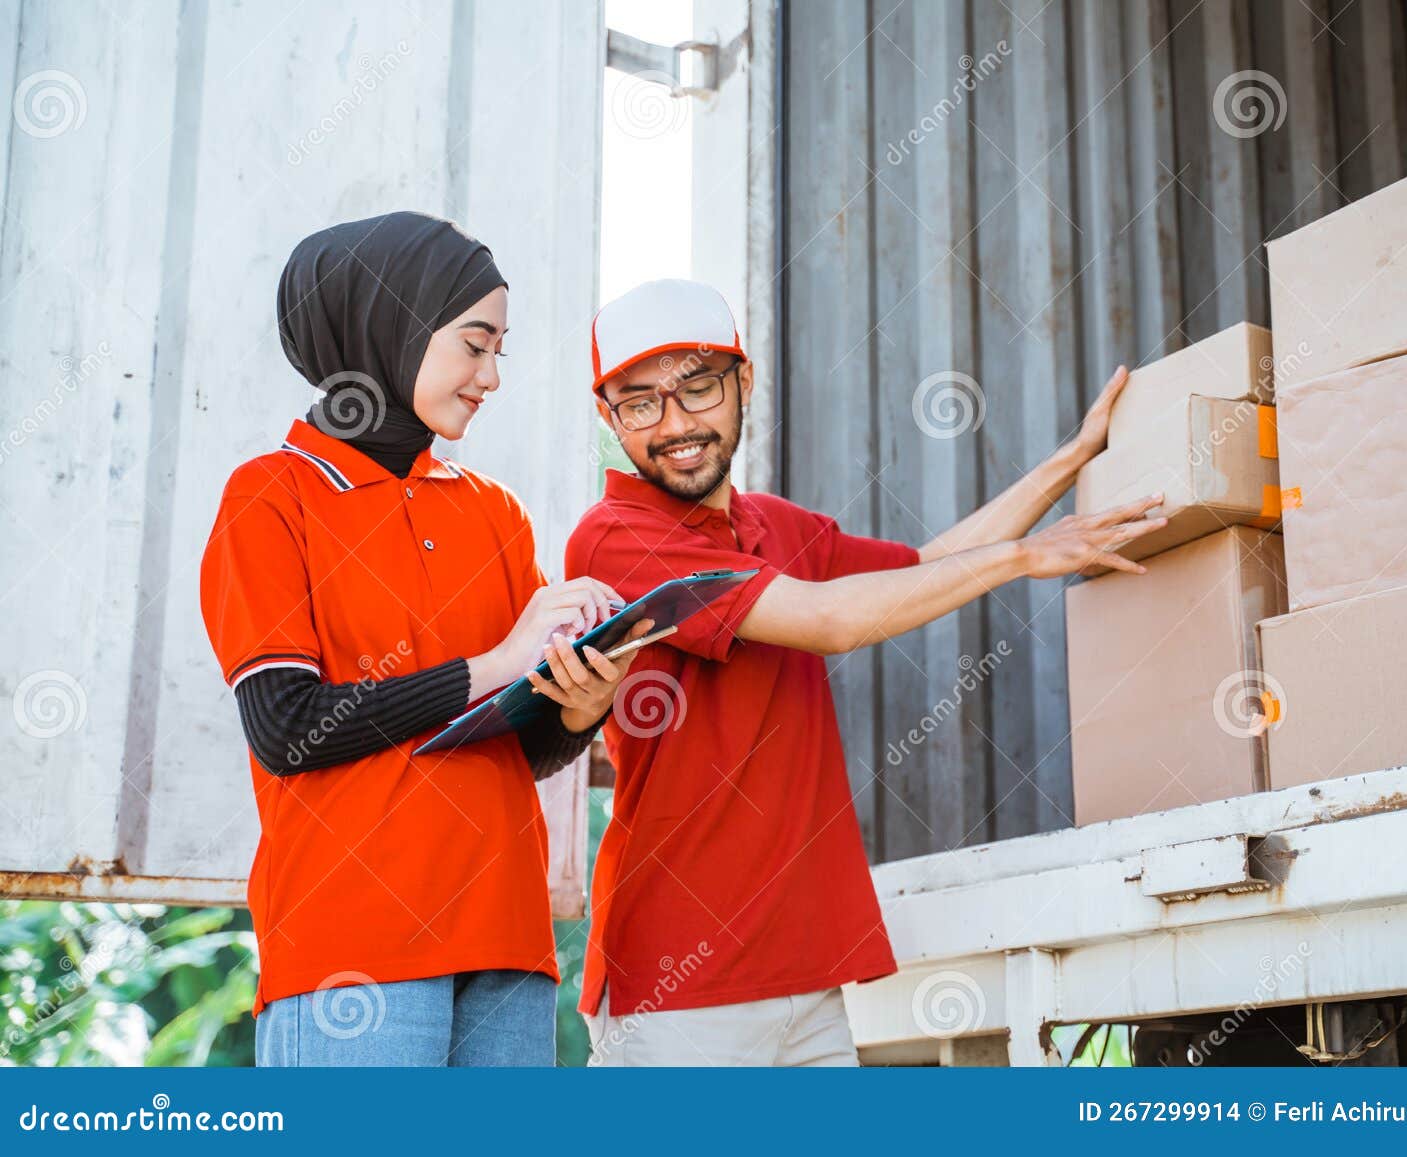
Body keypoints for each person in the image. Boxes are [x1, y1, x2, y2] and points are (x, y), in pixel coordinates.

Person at [568, 278, 1165, 1066]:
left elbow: (927, 566)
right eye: (641, 402)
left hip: (805, 974)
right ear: (609, 416)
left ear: (744, 381)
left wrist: (1071, 460)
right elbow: (832, 620)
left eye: (699, 386)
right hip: (678, 988)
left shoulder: (775, 526)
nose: (675, 424)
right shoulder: (615, 537)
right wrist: (1024, 557)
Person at [198, 212, 652, 1067]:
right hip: (353, 951)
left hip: (507, 944)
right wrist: (497, 662)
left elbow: (520, 744)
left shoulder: (495, 512)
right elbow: (288, 728)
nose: (491, 376)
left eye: (500, 350)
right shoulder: (271, 498)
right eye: (474, 345)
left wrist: (579, 704)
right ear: (390, 327)